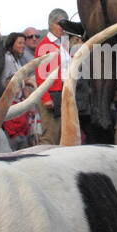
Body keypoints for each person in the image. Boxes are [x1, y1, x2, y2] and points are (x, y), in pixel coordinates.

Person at [34, 9, 68, 145]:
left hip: (62, 94)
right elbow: (40, 76)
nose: (62, 27)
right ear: (50, 24)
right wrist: (46, 98)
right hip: (51, 96)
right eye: (59, 24)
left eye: (65, 24)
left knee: (60, 135)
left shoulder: (63, 43)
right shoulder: (44, 45)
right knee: (50, 136)